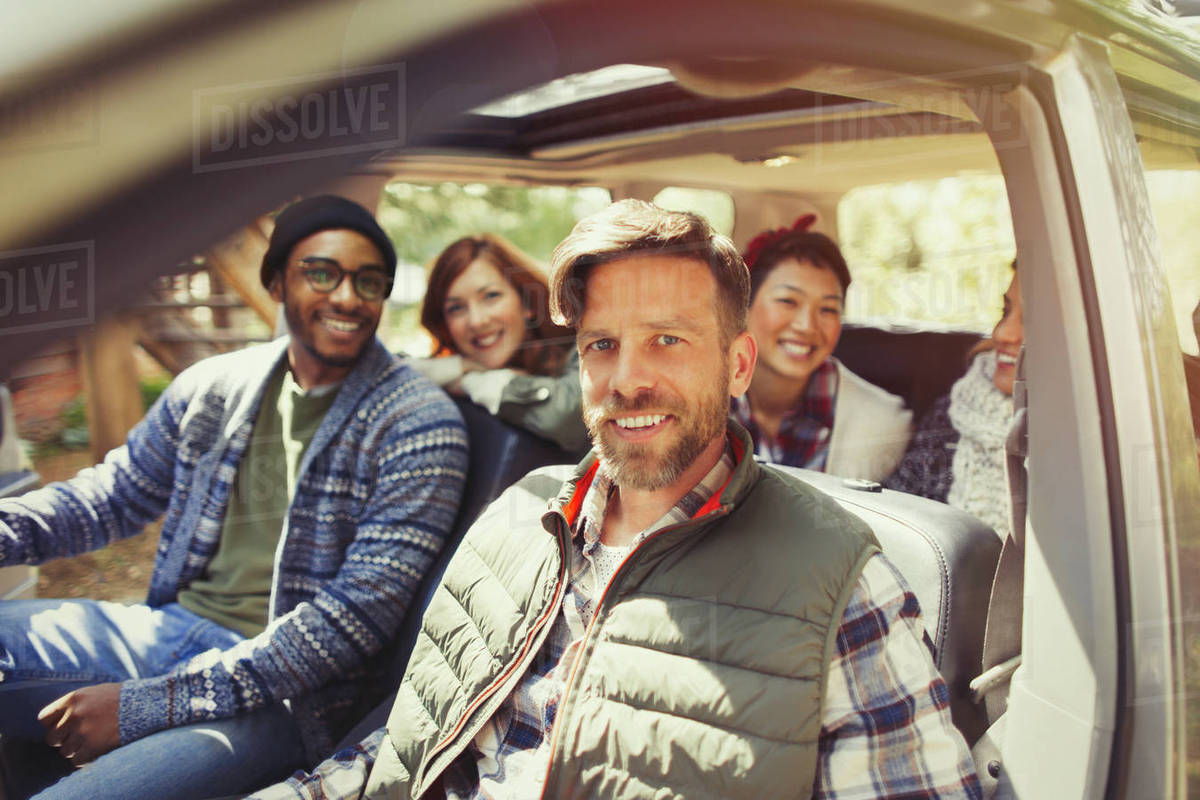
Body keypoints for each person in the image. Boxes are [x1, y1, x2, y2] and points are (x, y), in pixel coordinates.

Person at [252, 200, 979, 799]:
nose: (627, 379)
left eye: (667, 339)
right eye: (602, 345)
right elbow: (412, 743)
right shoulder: (518, 521)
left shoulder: (843, 583)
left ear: (738, 365)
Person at [0, 195, 469, 800]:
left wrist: (146, 706)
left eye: (370, 281)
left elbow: (352, 621)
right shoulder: (214, 385)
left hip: (292, 697)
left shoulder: (418, 422)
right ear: (276, 282)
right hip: (167, 632)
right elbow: (109, 498)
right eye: (321, 273)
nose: (349, 298)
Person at [733, 215, 911, 480]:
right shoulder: (698, 394)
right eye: (788, 301)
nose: (807, 326)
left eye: (828, 309)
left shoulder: (882, 423)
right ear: (742, 306)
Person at [411, 234, 588, 454]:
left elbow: (566, 417)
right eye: (456, 308)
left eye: (491, 296)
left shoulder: (582, 348)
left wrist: (475, 382)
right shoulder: (450, 366)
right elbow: (389, 370)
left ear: (527, 303)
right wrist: (461, 366)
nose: (477, 321)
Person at [885, 263, 1022, 537]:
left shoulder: (1106, 450)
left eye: (1033, 321)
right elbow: (891, 526)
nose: (1002, 333)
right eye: (1005, 311)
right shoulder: (952, 414)